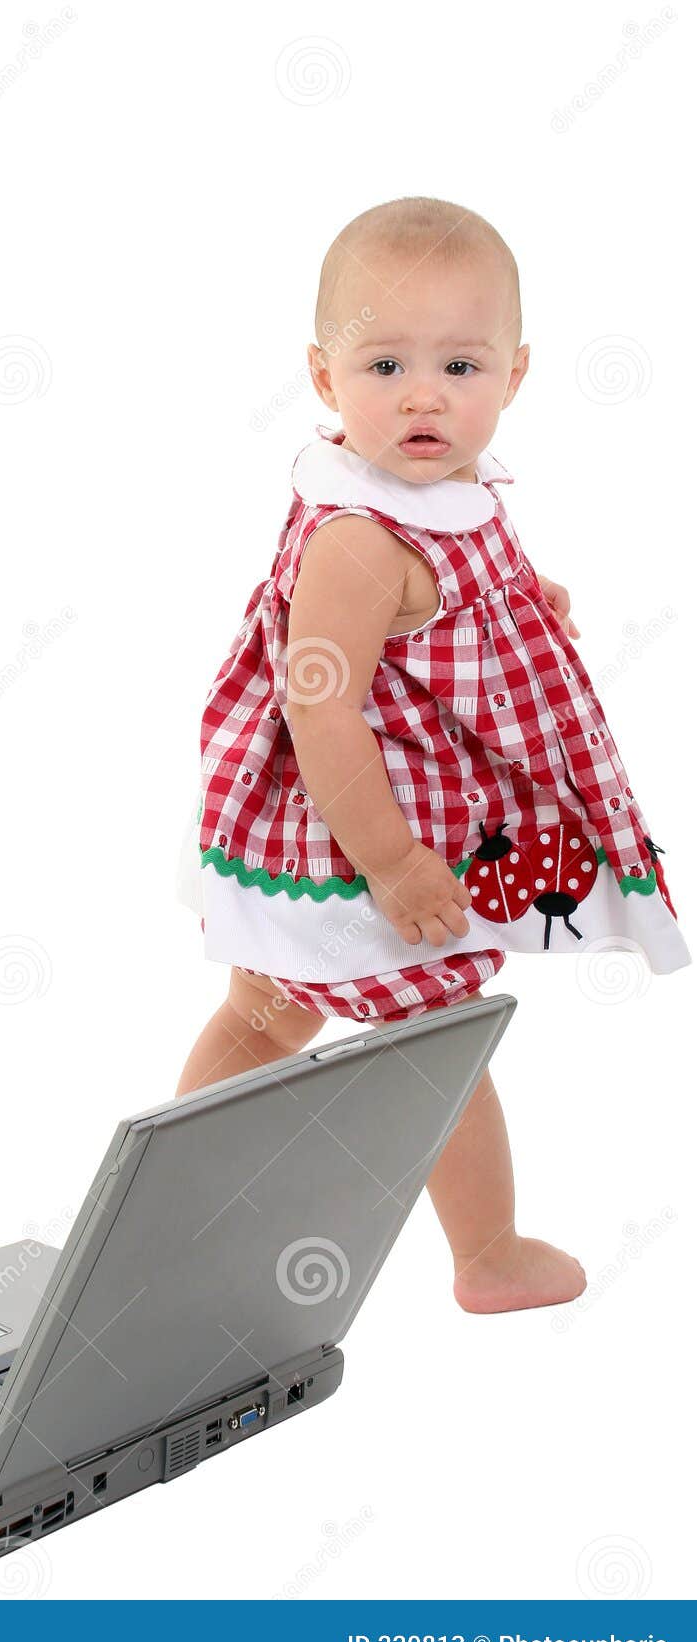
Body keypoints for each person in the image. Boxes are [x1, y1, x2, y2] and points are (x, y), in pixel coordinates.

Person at [175, 196, 691, 1315]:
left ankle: (172, 1216)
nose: (422, 395)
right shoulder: (358, 537)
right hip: (354, 830)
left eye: (458, 364)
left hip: (375, 816)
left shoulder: (451, 487)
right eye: (383, 364)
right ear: (322, 378)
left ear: (512, 376)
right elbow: (320, 710)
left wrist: (518, 601)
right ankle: (485, 1252)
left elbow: (457, 591)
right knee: (427, 1038)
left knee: (265, 1014)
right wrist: (395, 862)